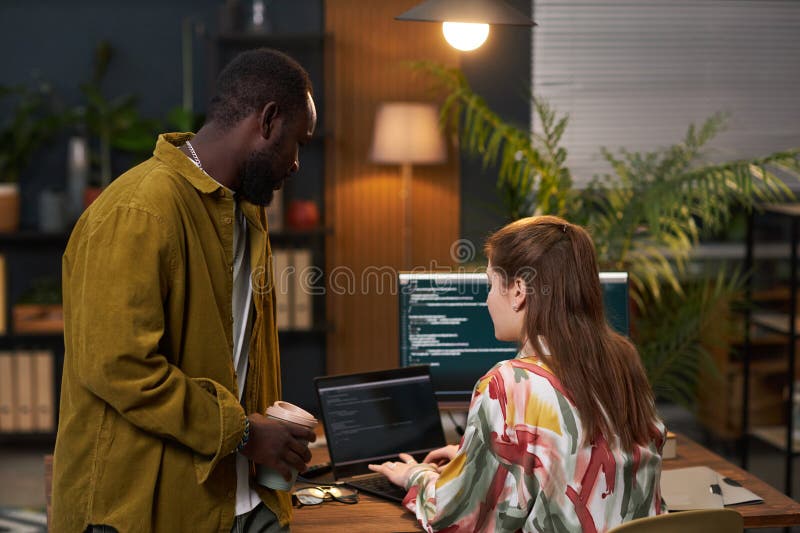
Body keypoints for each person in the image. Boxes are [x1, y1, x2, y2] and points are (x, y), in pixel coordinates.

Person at [51, 48, 318, 532]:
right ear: (268, 120)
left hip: (239, 502)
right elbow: (121, 368)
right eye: (297, 142)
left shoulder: (245, 212)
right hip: (143, 513)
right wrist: (242, 434)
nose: (297, 163)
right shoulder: (138, 211)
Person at [370, 215, 666, 532]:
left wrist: (414, 476)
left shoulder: (509, 383)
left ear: (519, 291)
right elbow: (579, 458)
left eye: (490, 285)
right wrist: (478, 456)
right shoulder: (624, 360)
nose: (487, 300)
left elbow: (456, 515)